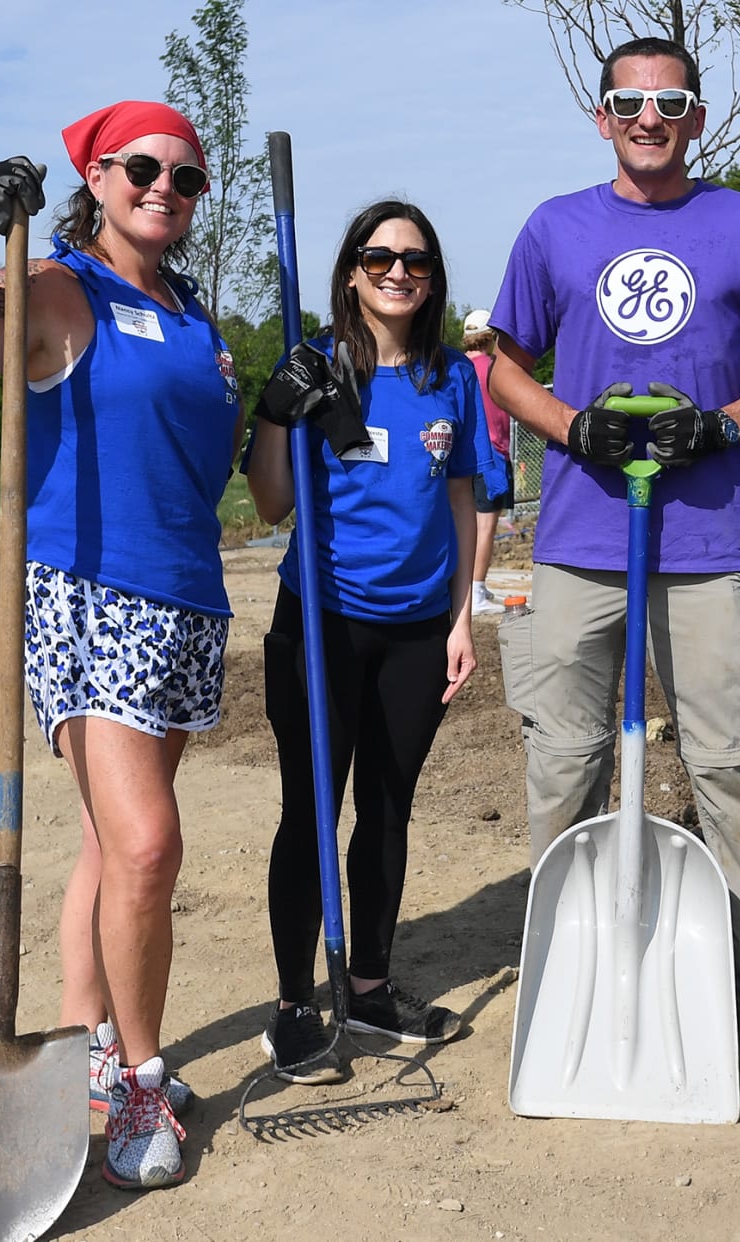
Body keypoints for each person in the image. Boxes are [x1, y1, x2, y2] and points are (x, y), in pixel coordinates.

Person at [0, 101, 239, 1190]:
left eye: (187, 179)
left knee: (104, 844)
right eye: (143, 169)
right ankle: (138, 1079)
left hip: (186, 601)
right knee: (145, 849)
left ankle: (81, 1046)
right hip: (91, 596)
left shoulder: (190, 312)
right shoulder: (57, 286)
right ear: (96, 173)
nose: (165, 191)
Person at [483, 36, 740, 1075]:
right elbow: (501, 362)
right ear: (601, 116)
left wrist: (724, 427)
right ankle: (570, 960)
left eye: (669, 101)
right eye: (629, 102)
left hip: (706, 543)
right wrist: (569, 425)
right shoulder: (555, 228)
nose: (648, 117)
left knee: (730, 763)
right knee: (565, 761)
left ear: (696, 115)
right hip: (583, 540)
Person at [244, 201, 504, 1084]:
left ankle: (368, 987)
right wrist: (277, 415)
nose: (399, 271)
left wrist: (466, 613)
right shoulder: (316, 367)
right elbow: (272, 503)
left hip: (420, 630)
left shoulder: (451, 378)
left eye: (417, 260)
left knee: (387, 807)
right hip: (320, 622)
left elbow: (466, 494)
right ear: (352, 269)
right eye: (381, 255)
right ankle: (291, 1007)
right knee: (311, 808)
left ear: (433, 278)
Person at [461, 307, 515, 616]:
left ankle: (467, 586)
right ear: (491, 336)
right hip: (491, 454)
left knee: (462, 523)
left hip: (461, 457)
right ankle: (477, 590)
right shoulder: (494, 369)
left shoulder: (456, 368)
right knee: (485, 526)